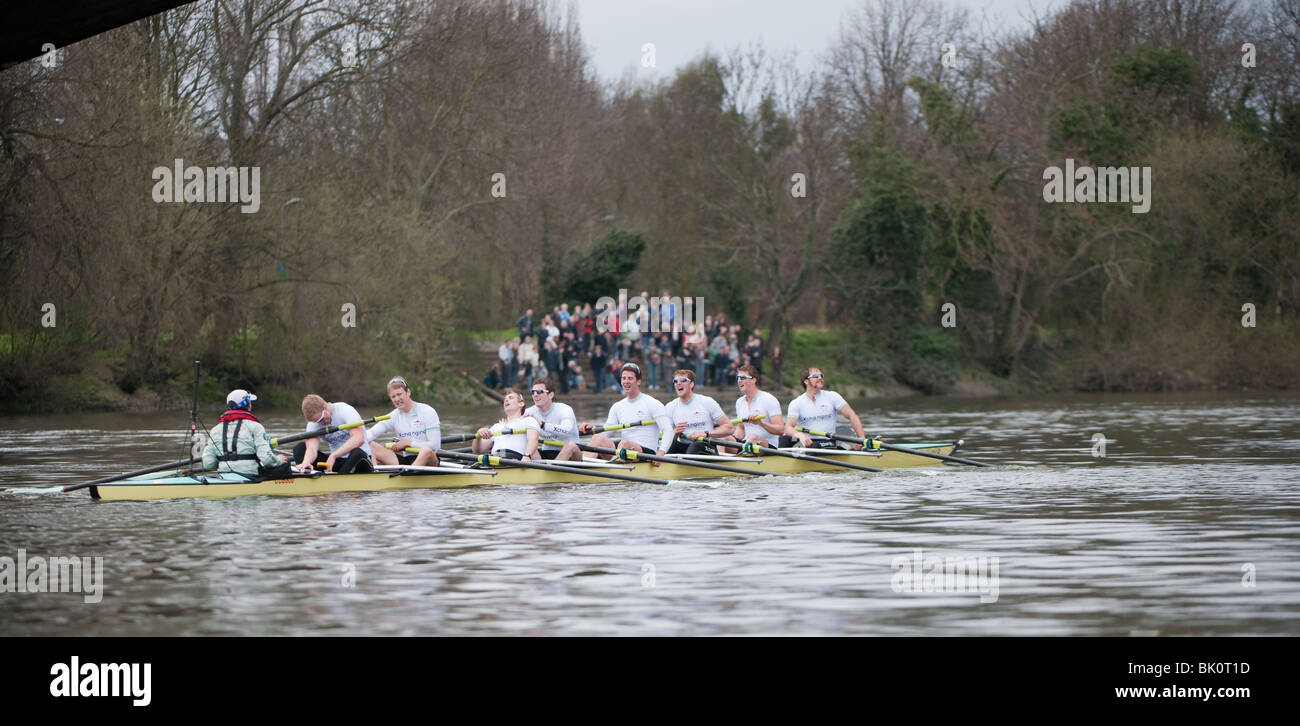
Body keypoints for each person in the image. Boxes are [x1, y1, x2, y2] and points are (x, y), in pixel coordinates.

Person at [578, 362, 670, 464]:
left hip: (646, 453)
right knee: (597, 438)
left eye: (630, 378)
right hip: (624, 452)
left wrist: (661, 454)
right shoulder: (617, 406)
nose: (626, 381)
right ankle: (582, 466)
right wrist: (592, 428)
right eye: (624, 378)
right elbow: (606, 433)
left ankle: (608, 466)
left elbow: (668, 430)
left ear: (638, 381)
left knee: (624, 444)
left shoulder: (652, 403)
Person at [202, 389, 294, 478]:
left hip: (224, 475)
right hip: (250, 475)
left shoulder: (215, 430)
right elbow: (267, 459)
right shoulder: (256, 427)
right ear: (247, 404)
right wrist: (279, 460)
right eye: (250, 401)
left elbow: (208, 463)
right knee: (285, 465)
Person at [782, 367, 866, 450]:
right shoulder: (796, 403)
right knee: (784, 440)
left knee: (814, 447)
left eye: (821, 375)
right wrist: (799, 435)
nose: (820, 378)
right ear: (806, 381)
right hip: (806, 441)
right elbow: (788, 427)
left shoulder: (832, 396)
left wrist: (861, 438)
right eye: (815, 376)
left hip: (827, 441)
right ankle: (778, 460)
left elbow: (852, 415)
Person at [368, 376, 441, 468]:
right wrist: (353, 440)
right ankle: (375, 472)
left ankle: (408, 475)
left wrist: (408, 443)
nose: (397, 399)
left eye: (399, 394)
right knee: (370, 444)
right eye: (393, 396)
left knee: (426, 450)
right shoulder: (393, 416)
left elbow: (435, 445)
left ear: (408, 392)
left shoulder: (427, 411)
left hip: (429, 460)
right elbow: (371, 433)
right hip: (406, 461)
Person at [295, 394, 374, 473]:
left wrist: (334, 455)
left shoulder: (345, 410)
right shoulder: (313, 423)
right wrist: (306, 461)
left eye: (321, 419)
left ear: (325, 407)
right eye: (317, 422)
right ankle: (306, 474)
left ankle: (338, 481)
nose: (321, 424)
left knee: (357, 453)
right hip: (336, 462)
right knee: (300, 448)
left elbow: (358, 439)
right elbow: (311, 448)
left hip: (360, 461)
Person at [664, 369, 733, 455]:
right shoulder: (670, 407)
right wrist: (674, 433)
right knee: (666, 447)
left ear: (691, 384)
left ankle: (685, 465)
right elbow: (666, 437)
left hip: (706, 445)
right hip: (685, 446)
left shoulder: (707, 402)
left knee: (695, 446)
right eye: (675, 381)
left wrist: (705, 434)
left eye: (683, 380)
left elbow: (729, 428)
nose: (678, 383)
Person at [471, 389, 541, 460]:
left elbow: (533, 440)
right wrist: (479, 434)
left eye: (511, 398)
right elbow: (477, 451)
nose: (506, 400)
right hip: (496, 458)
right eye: (505, 399)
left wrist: (527, 456)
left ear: (521, 404)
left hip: (517, 459)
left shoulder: (528, 420)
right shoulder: (497, 426)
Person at [524, 378, 582, 461]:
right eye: (533, 392)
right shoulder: (529, 411)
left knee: (570, 445)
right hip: (546, 453)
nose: (535, 394)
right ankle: (540, 470)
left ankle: (549, 471)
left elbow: (566, 430)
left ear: (551, 395)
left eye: (540, 391)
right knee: (526, 442)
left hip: (571, 455)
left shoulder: (564, 409)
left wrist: (542, 425)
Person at [733, 365, 784, 450]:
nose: (739, 381)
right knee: (725, 439)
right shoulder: (739, 402)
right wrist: (733, 439)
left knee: (752, 438)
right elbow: (741, 428)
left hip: (768, 445)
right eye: (737, 377)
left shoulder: (769, 399)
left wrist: (761, 423)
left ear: (753, 380)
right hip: (747, 443)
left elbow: (780, 430)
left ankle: (742, 457)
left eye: (742, 378)